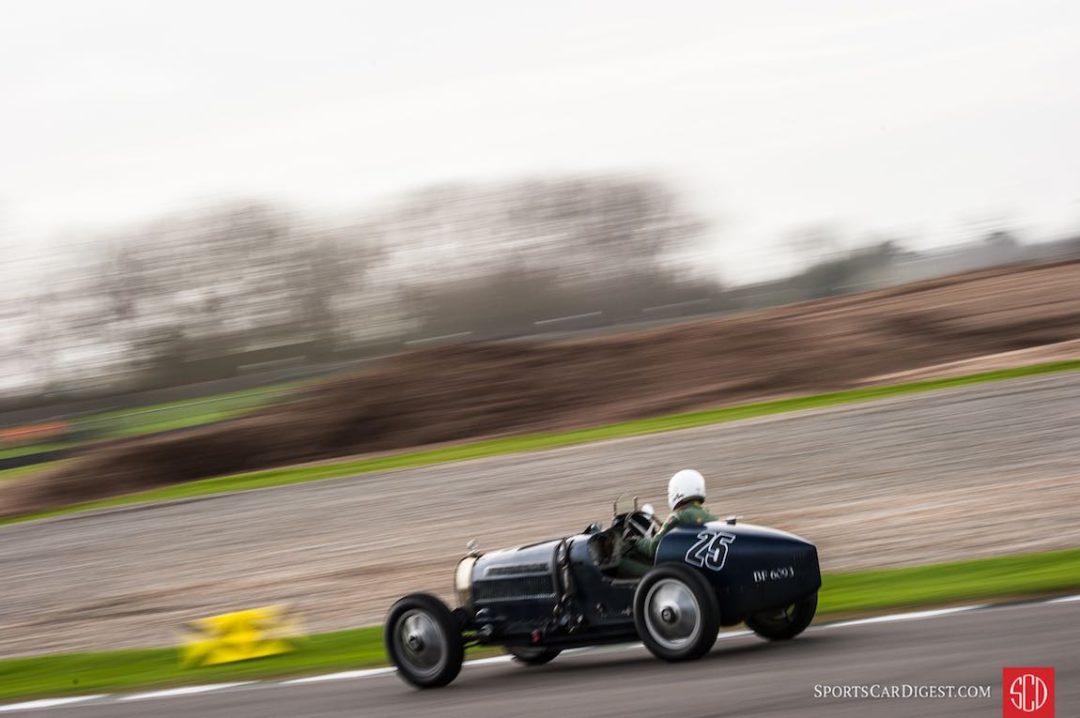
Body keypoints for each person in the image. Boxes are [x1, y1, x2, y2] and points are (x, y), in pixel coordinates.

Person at [617, 469, 717, 578]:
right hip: (698, 569)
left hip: (673, 572)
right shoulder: (711, 517)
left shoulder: (678, 517)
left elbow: (653, 548)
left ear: (678, 492)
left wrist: (635, 539)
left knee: (620, 562)